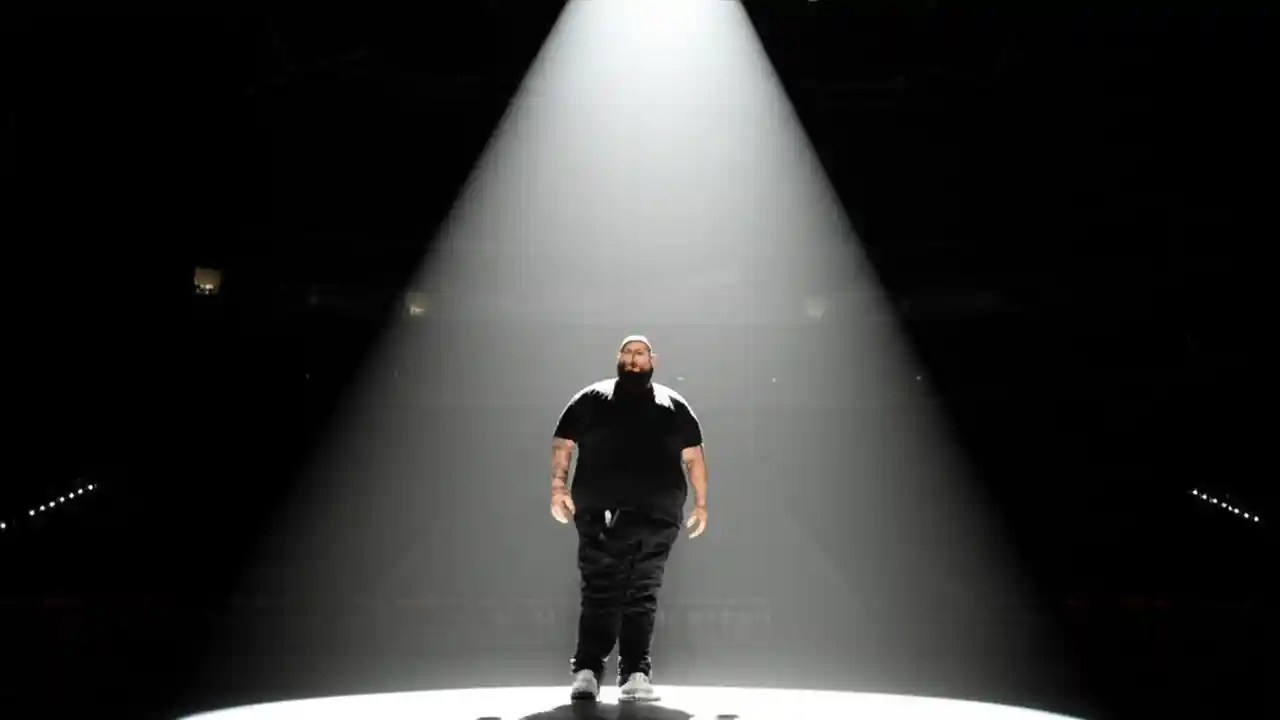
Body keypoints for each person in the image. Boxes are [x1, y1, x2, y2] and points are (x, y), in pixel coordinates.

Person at [550, 335, 708, 703]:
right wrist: (558, 487)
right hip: (600, 511)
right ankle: (587, 670)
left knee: (643, 592)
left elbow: (694, 456)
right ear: (618, 358)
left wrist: (702, 503)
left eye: (640, 354)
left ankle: (636, 671)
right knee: (600, 589)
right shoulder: (591, 399)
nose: (634, 360)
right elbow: (563, 443)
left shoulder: (674, 404)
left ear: (653, 359)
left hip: (658, 515)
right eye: (627, 353)